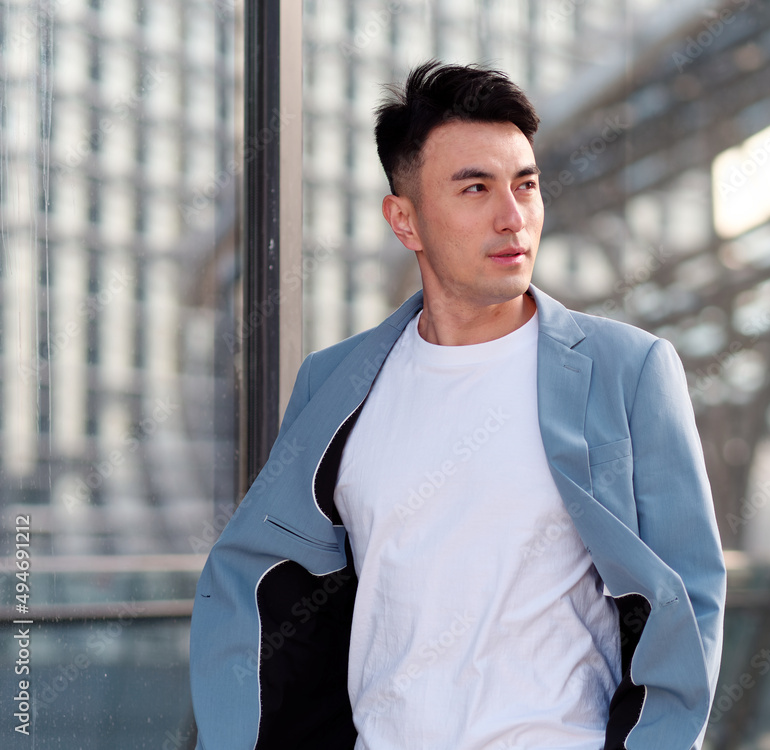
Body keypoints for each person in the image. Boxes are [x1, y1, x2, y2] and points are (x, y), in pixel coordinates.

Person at [190, 61, 726, 750]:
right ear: (404, 219)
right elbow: (271, 597)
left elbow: (687, 603)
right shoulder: (333, 384)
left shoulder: (628, 372)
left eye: (525, 185)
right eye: (476, 187)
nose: (513, 217)